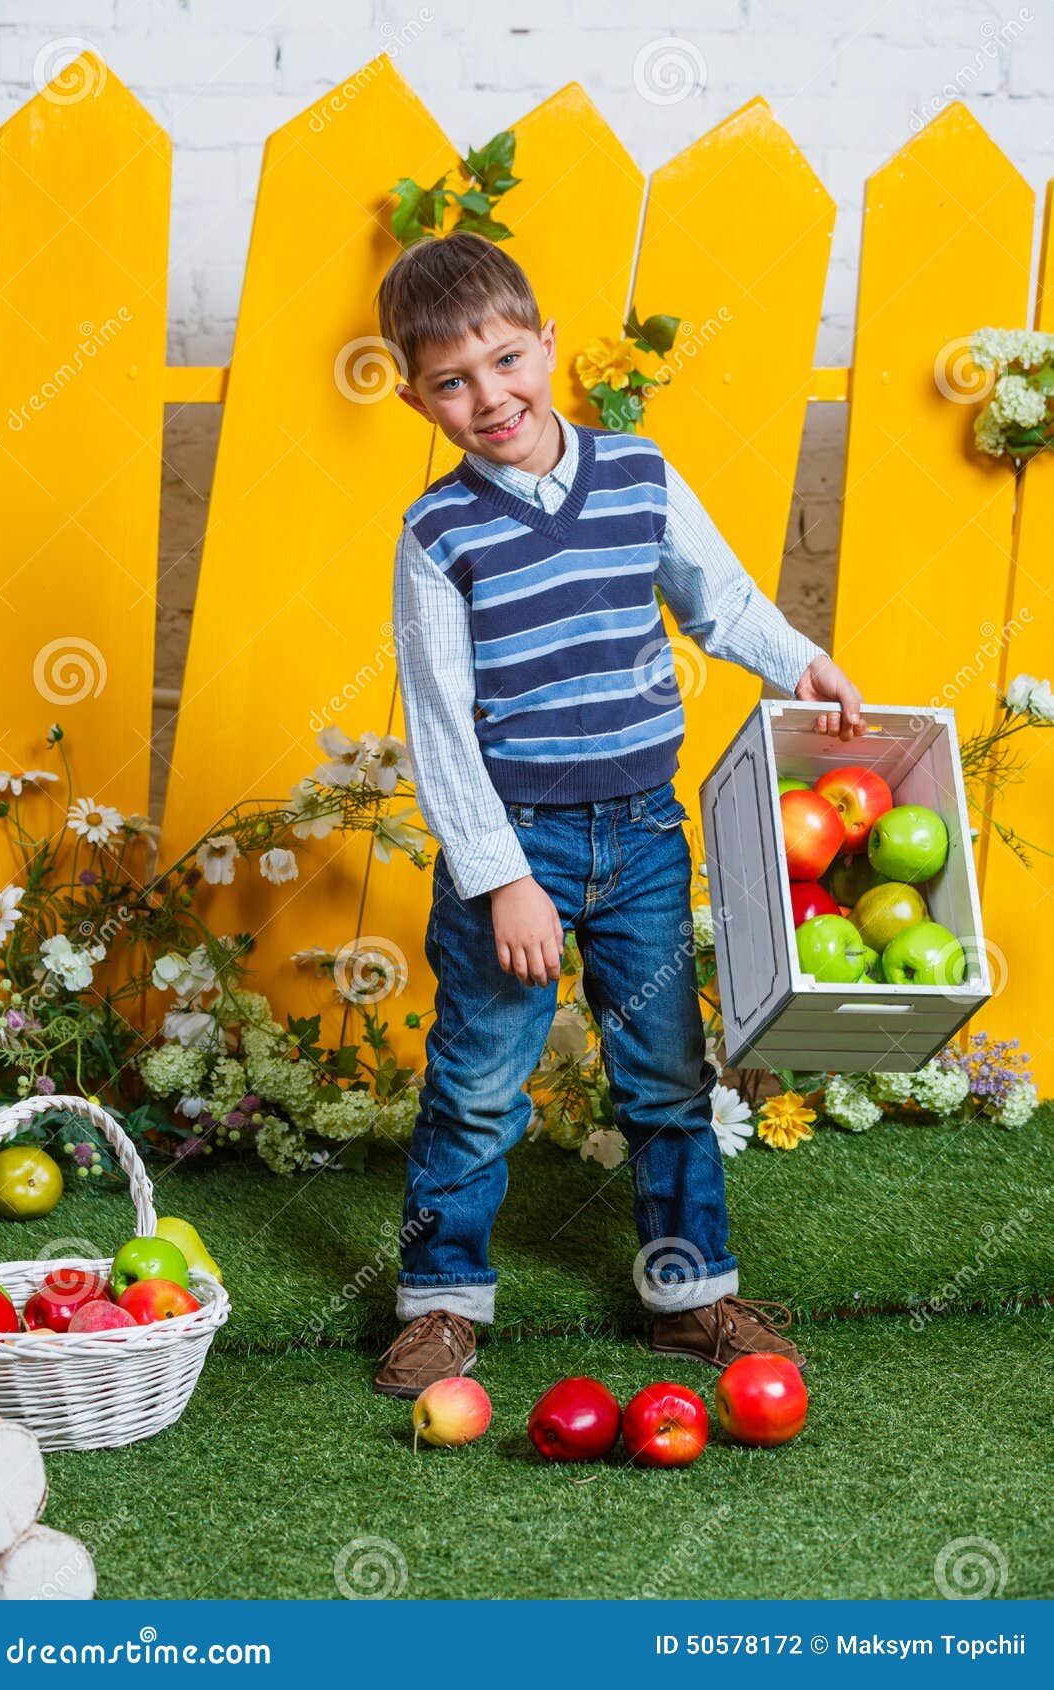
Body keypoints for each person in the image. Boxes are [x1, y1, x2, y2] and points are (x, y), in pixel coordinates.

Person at [371, 231, 866, 1397]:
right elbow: (441, 726)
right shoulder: (438, 535)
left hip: (641, 836)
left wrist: (800, 664)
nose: (487, 395)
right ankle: (441, 1303)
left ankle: (689, 1301)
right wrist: (501, 877)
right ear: (414, 396)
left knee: (662, 1074)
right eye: (451, 379)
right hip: (519, 850)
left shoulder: (636, 473)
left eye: (504, 360)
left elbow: (718, 599)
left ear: (546, 346)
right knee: (479, 1082)